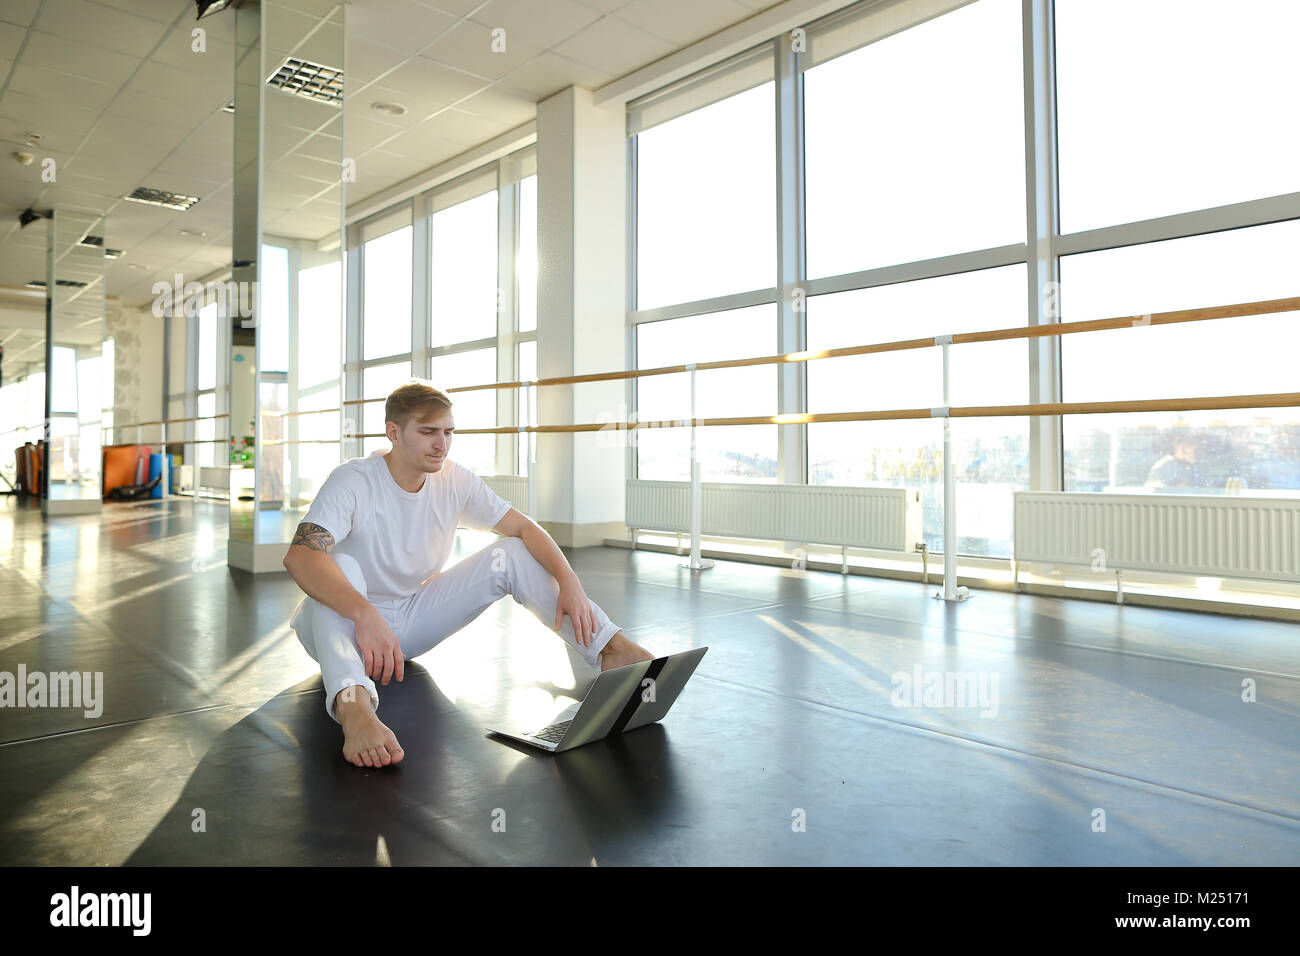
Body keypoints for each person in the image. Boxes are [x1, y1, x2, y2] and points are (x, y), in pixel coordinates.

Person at [283, 380, 653, 768]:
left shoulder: (454, 479)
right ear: (393, 432)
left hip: (405, 625)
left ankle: (612, 649)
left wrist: (569, 582)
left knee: (510, 552)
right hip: (338, 630)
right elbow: (301, 557)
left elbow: (525, 528)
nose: (441, 443)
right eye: (428, 432)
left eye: (448, 432)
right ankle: (355, 710)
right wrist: (364, 614)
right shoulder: (354, 480)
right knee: (338, 566)